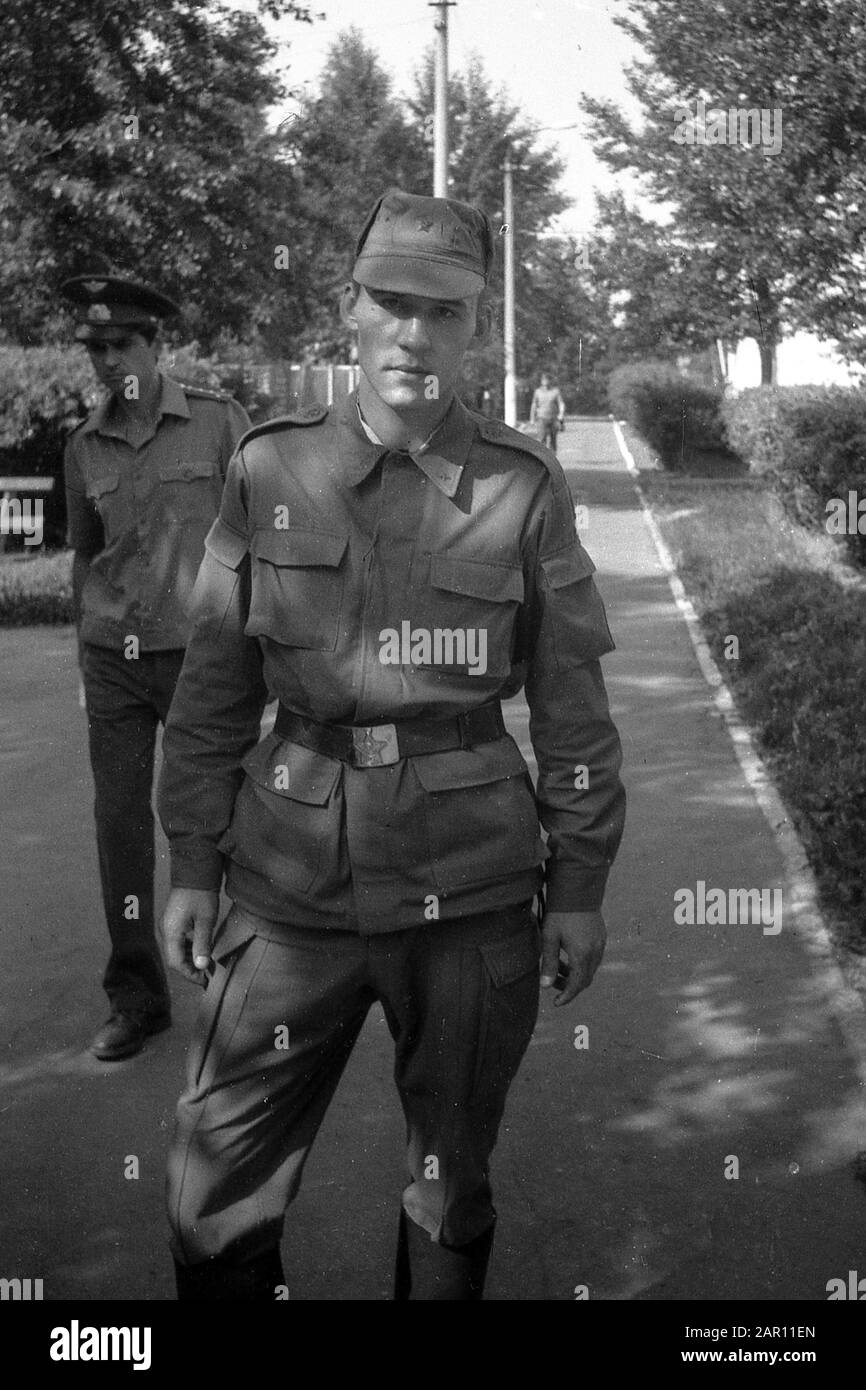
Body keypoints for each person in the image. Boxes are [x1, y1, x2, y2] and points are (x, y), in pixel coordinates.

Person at [157, 189, 626, 1301]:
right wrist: (188, 858)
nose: (414, 332)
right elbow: (215, 681)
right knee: (212, 1179)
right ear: (349, 311)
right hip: (286, 886)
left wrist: (581, 884)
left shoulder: (521, 488)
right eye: (390, 303)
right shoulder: (268, 470)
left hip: (466, 892)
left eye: (445, 312)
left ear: (475, 330)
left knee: (447, 1176)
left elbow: (570, 709)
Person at [61, 275, 251, 1061]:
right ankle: (137, 997)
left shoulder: (217, 422)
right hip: (115, 659)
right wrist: (83, 654)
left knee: (223, 817)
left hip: (205, 656)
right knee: (120, 826)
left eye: (119, 345)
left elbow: (261, 529)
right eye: (95, 348)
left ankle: (246, 985)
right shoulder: (82, 446)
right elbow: (82, 556)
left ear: (153, 347)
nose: (106, 361)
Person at [530, 371, 566, 452]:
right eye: (543, 380)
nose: (545, 381)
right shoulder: (538, 392)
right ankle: (542, 459)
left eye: (547, 379)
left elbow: (561, 403)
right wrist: (532, 418)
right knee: (541, 439)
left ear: (550, 381)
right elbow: (534, 405)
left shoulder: (555, 391)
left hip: (553, 419)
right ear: (541, 381)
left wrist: (561, 414)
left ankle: (552, 459)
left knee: (553, 439)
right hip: (541, 418)